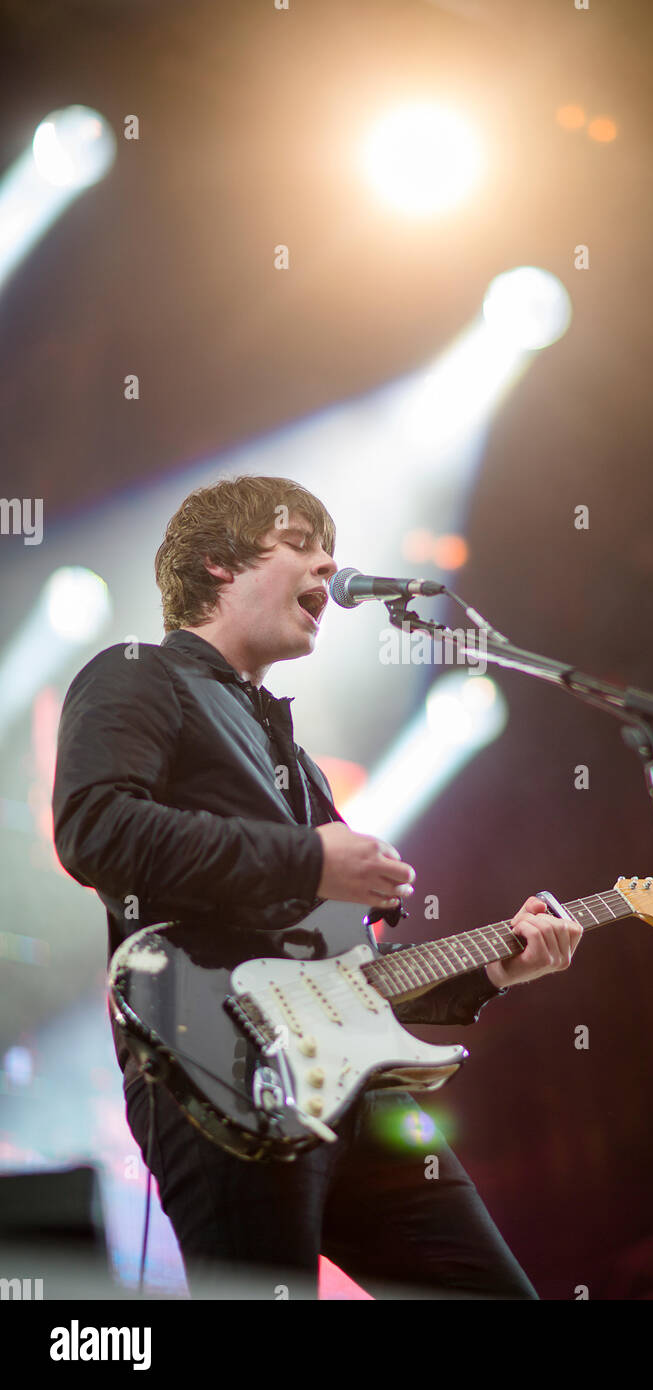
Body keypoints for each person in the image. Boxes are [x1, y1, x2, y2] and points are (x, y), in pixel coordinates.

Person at [52, 475, 583, 1300]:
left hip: (360, 1091)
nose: (330, 564)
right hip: (218, 1064)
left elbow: (346, 977)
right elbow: (98, 832)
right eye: (300, 542)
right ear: (216, 565)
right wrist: (309, 861)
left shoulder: (292, 759)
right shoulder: (135, 676)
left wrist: (494, 966)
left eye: (326, 544)